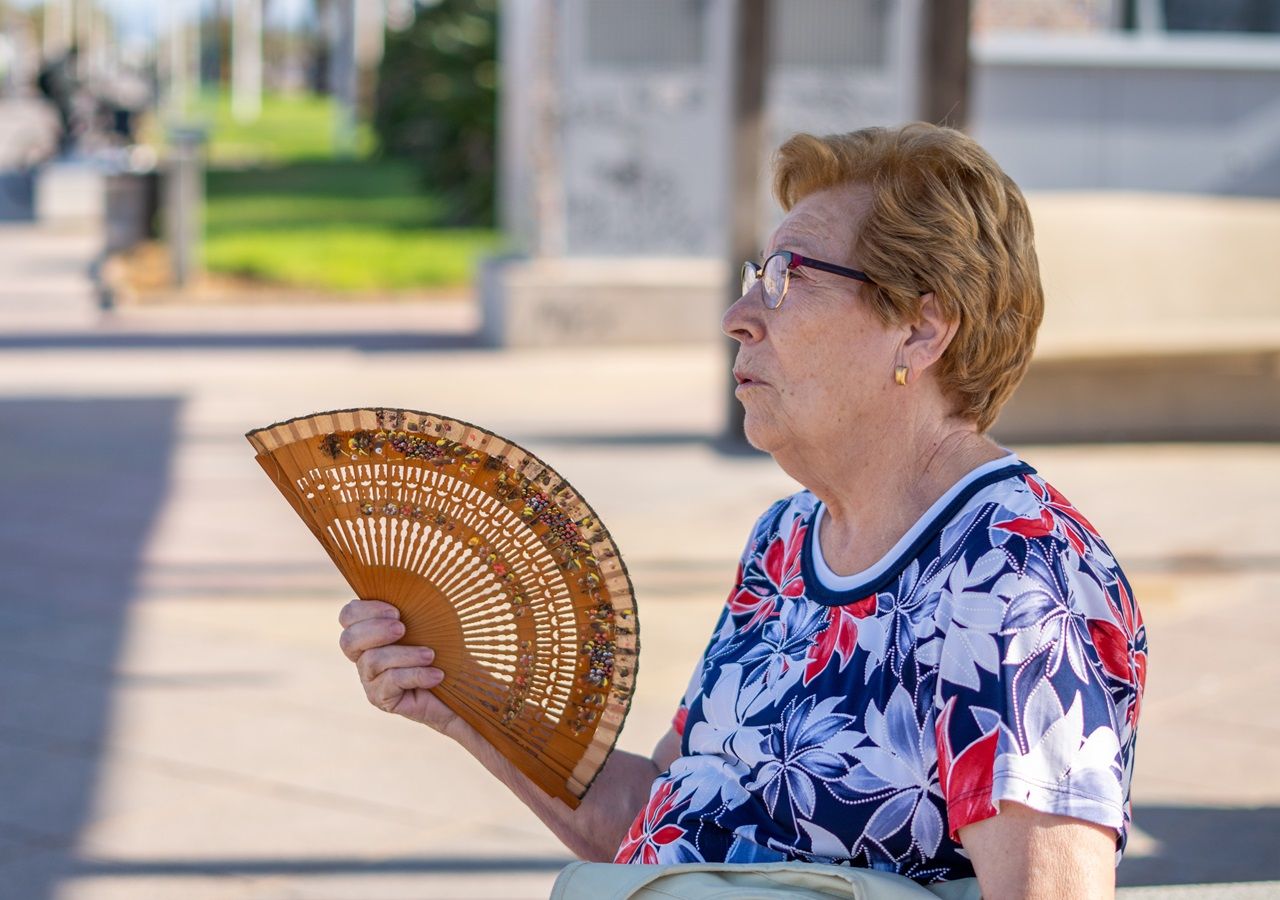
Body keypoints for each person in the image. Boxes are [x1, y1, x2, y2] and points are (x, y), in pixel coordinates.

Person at [337, 123, 1147, 898]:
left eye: (788, 279)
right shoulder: (789, 541)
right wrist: (467, 699)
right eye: (757, 275)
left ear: (920, 328)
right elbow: (667, 818)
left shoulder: (1014, 578)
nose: (739, 317)